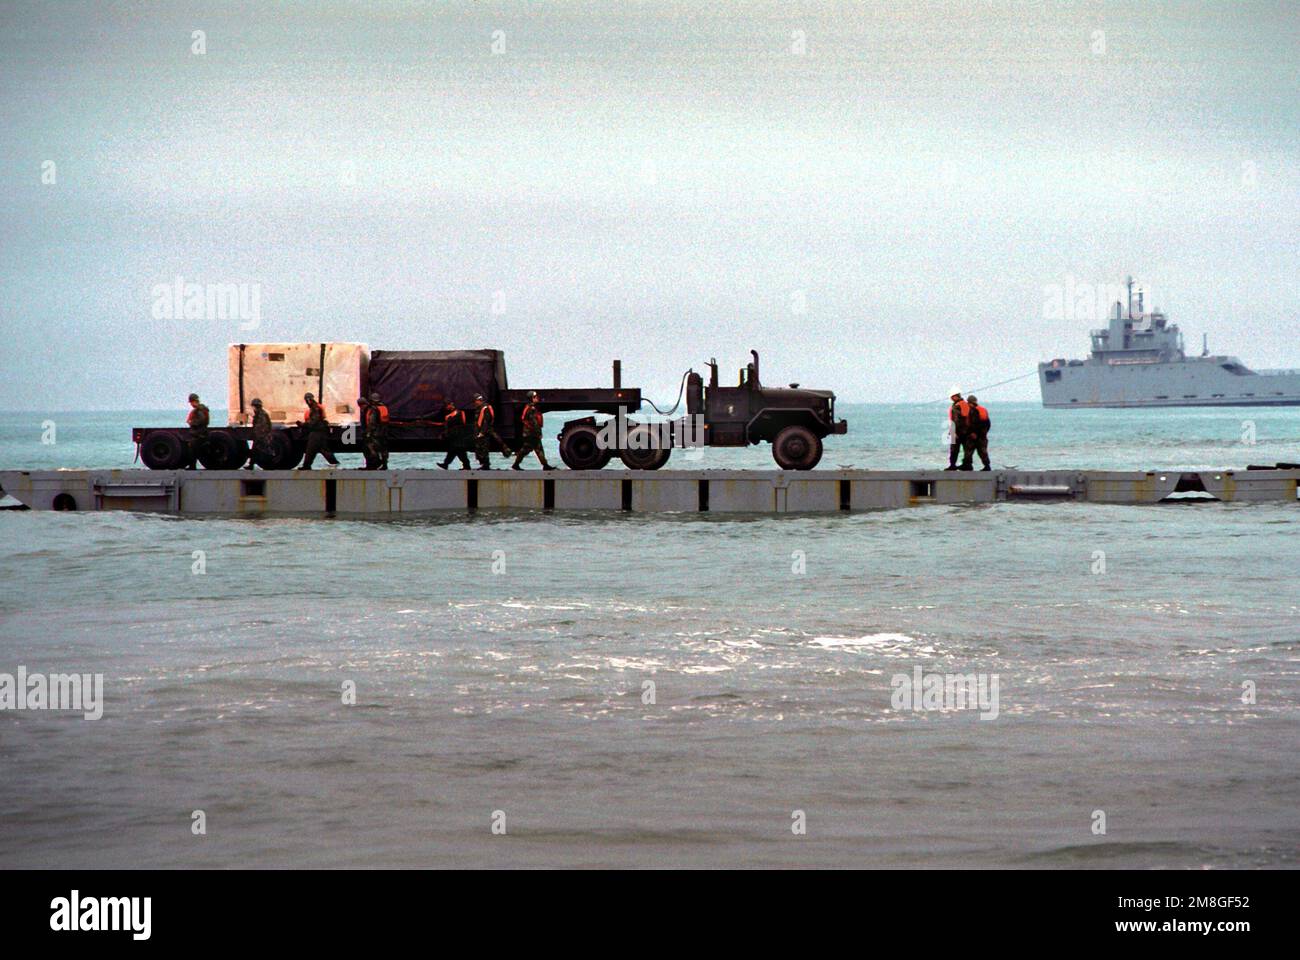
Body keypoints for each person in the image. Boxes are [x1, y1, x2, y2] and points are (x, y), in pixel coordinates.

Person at [511, 391, 555, 471]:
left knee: (531, 449)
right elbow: (534, 423)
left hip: (530, 433)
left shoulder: (531, 407)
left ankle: (516, 464)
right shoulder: (531, 409)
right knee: (534, 449)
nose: (537, 398)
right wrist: (539, 433)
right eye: (535, 397)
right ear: (531, 398)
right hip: (531, 433)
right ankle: (545, 465)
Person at [297, 392, 339, 470]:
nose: (307, 402)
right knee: (323, 449)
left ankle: (306, 466)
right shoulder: (316, 407)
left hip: (316, 432)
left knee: (310, 449)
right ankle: (335, 463)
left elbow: (314, 421)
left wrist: (303, 425)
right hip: (320, 431)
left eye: (307, 400)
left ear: (309, 399)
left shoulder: (315, 408)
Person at [471, 393, 509, 470]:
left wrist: (482, 432)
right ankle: (484, 464)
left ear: (478, 400)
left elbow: (486, 421)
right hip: (481, 431)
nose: (475, 403)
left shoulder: (485, 408)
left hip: (485, 432)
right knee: (480, 448)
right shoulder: (480, 408)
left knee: (483, 448)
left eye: (475, 401)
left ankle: (486, 465)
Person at [437, 400, 472, 470]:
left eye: (447, 406)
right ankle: (447, 464)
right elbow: (446, 427)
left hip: (459, 435)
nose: (446, 407)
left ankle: (446, 464)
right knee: (456, 450)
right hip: (453, 436)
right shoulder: (447, 416)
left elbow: (463, 423)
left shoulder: (460, 413)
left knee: (457, 450)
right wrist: (444, 434)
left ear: (451, 405)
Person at [360, 392, 389, 470]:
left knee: (371, 448)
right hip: (384, 432)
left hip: (375, 433)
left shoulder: (373, 409)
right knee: (383, 449)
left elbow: (372, 422)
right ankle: (384, 465)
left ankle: (375, 464)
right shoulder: (384, 407)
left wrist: (368, 433)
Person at [963, 394, 991, 471]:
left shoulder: (973, 410)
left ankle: (968, 466)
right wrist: (984, 433)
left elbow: (973, 423)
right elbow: (988, 423)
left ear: (969, 402)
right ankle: (987, 466)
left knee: (968, 451)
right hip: (982, 436)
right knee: (983, 452)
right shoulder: (983, 410)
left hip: (974, 436)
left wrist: (973, 433)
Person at [244, 398, 273, 470]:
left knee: (265, 451)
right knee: (255, 451)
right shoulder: (260, 413)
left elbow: (261, 427)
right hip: (261, 435)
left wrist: (258, 435)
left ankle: (269, 465)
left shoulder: (261, 414)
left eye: (254, 406)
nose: (253, 408)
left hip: (262, 436)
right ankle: (251, 465)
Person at [944, 390, 971, 471]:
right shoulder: (964, 404)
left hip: (958, 430)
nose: (951, 398)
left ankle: (953, 465)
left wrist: (953, 431)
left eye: (952, 397)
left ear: (956, 396)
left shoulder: (958, 405)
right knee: (967, 449)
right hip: (965, 430)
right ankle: (967, 465)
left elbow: (957, 420)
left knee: (954, 449)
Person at [184, 393, 210, 470]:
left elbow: (202, 420)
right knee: (196, 449)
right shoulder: (202, 409)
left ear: (194, 401)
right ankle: (193, 466)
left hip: (199, 434)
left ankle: (192, 466)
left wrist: (192, 422)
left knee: (192, 448)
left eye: (191, 402)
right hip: (201, 433)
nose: (191, 404)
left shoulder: (199, 410)